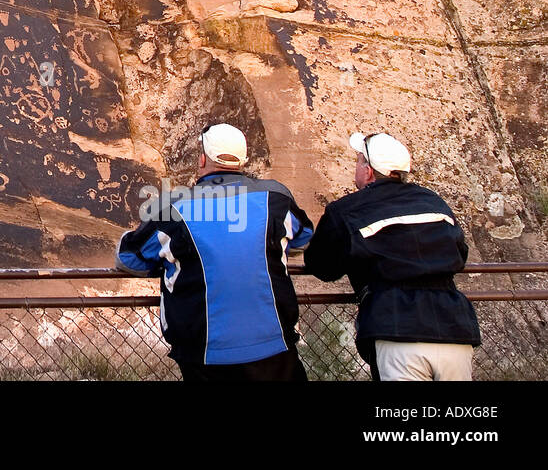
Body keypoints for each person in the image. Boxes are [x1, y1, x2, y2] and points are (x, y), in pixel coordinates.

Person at [116, 123, 314, 380]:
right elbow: (303, 238)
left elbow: (129, 259)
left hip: (204, 353)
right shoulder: (276, 197)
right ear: (243, 160)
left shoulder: (172, 206)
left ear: (202, 160)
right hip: (275, 345)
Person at [303, 132, 480, 380]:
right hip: (454, 328)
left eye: (358, 161)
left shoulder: (346, 210)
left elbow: (321, 267)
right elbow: (460, 254)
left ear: (368, 171)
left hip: (396, 327)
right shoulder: (435, 203)